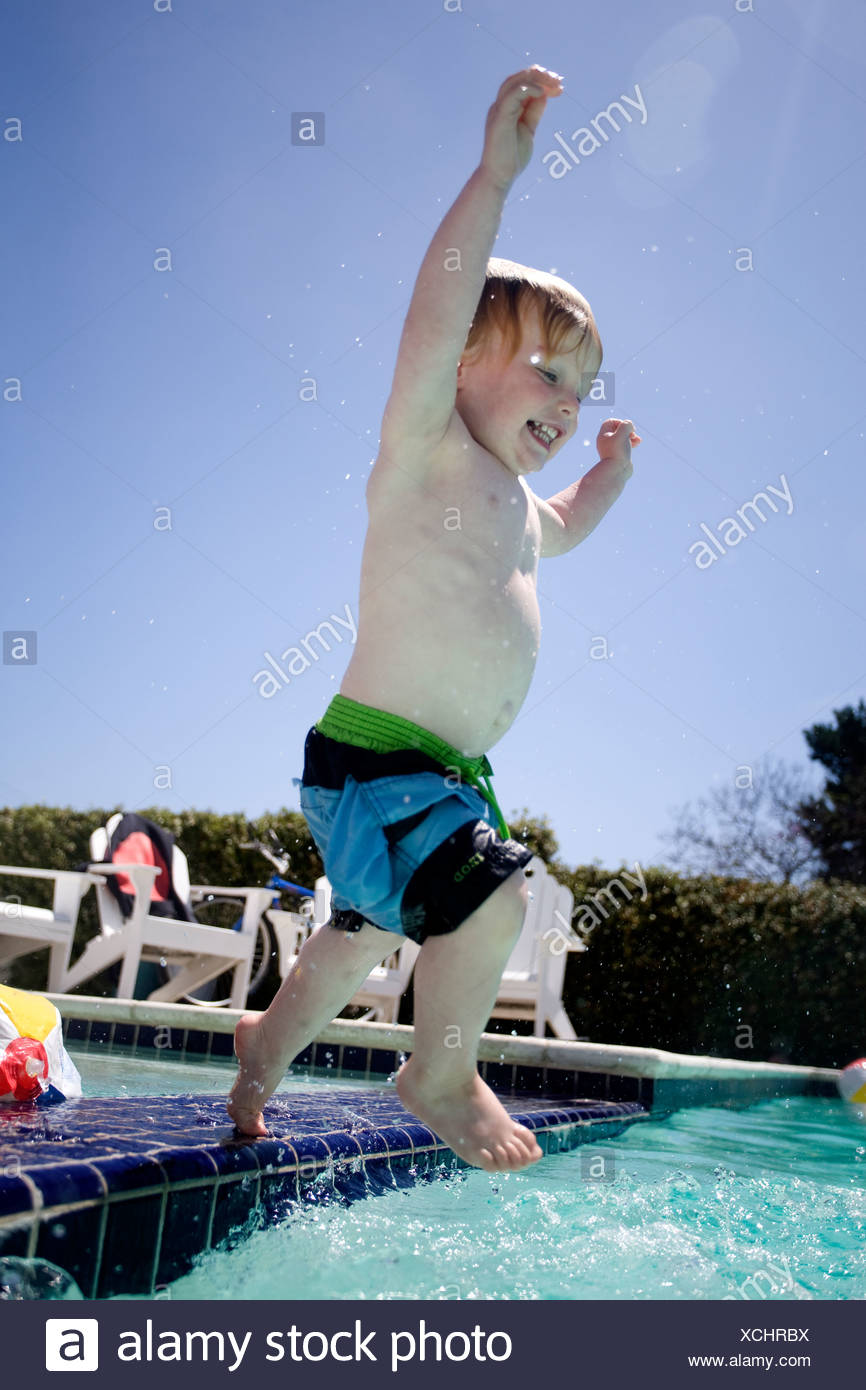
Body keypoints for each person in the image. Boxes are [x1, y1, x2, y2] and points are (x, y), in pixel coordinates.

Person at [228, 65, 640, 1171]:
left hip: (430, 774)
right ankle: (438, 1073)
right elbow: (434, 303)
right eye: (546, 372)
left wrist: (608, 480)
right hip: (380, 762)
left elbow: (567, 525)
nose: (563, 403)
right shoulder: (425, 445)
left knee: (350, 943)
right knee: (499, 891)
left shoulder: (516, 506)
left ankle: (261, 1053)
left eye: (580, 390)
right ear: (461, 357)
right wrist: (492, 182)